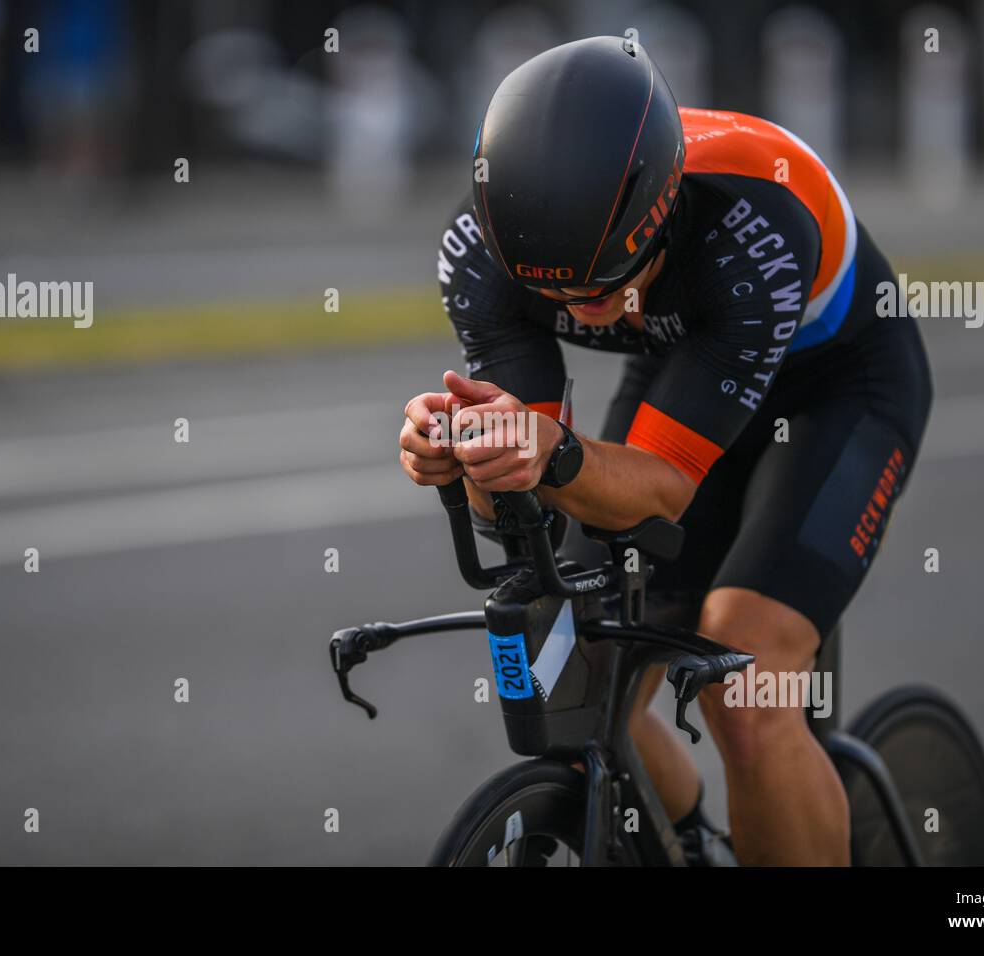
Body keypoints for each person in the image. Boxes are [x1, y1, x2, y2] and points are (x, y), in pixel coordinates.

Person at [399, 36, 931, 865]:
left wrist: (561, 456)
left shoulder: (753, 225)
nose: (578, 306)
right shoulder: (483, 249)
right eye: (551, 296)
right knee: (574, 665)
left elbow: (661, 490)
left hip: (839, 388)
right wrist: (468, 461)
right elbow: (525, 502)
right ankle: (691, 847)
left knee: (746, 679)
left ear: (662, 210)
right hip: (684, 359)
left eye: (603, 288)